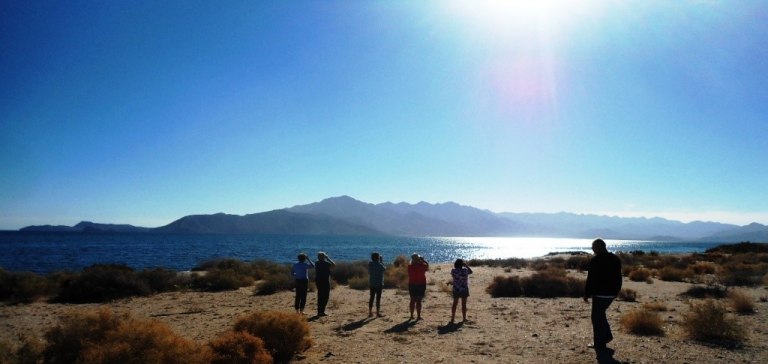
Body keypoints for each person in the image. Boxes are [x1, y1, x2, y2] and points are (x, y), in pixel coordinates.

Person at [583, 238, 622, 349]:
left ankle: (600, 343)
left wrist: (587, 293)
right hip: (610, 294)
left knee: (596, 317)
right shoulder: (615, 259)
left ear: (600, 247)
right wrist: (616, 291)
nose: (593, 249)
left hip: (600, 293)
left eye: (594, 247)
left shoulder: (596, 260)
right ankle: (606, 336)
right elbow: (619, 277)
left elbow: (591, 279)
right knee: (600, 315)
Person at [407, 253, 429, 320]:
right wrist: (423, 260)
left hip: (412, 284)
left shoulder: (409, 267)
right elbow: (427, 266)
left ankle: (411, 315)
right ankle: (418, 316)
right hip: (421, 284)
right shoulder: (422, 266)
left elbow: (410, 265)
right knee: (419, 301)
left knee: (412, 300)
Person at [450, 258, 473, 323]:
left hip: (456, 289)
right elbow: (471, 271)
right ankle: (464, 318)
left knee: (455, 304)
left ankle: (453, 318)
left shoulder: (453, 271)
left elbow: (453, 275)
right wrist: (466, 265)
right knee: (464, 304)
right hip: (464, 289)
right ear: (462, 264)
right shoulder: (465, 270)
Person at [314, 252, 335, 317]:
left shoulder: (316, 263)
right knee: (326, 295)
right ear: (324, 257)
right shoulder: (326, 263)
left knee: (320, 295)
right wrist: (328, 258)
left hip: (318, 280)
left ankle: (319, 311)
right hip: (325, 280)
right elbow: (333, 265)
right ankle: (322, 311)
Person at [368, 252, 387, 317]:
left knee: (371, 298)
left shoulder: (370, 264)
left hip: (372, 283)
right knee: (378, 298)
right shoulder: (379, 265)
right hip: (379, 283)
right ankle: (377, 313)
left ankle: (370, 312)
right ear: (378, 258)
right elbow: (384, 269)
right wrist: (381, 261)